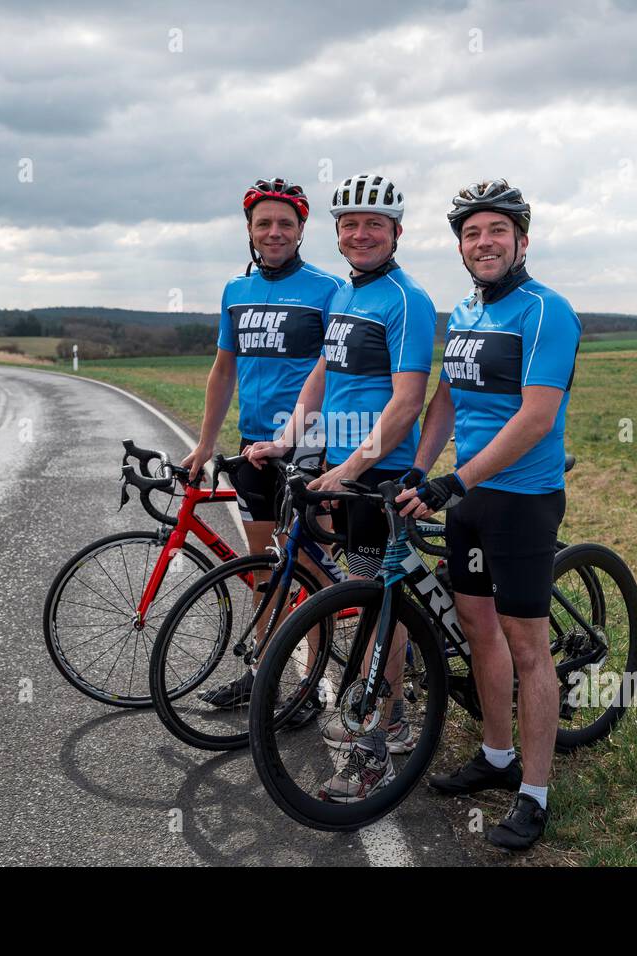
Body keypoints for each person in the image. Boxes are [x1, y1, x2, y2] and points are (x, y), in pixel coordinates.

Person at [397, 179, 580, 851]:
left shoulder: (545, 312)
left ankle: (534, 793)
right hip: (469, 498)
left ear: (522, 240)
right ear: (462, 248)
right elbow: (445, 402)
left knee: (528, 645)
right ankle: (496, 755)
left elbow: (536, 417)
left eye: (496, 231)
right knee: (478, 630)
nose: (484, 243)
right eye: (472, 234)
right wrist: (422, 467)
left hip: (523, 499)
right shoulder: (466, 312)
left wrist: (456, 480)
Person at [245, 173, 437, 801]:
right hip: (344, 465)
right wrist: (286, 438)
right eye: (349, 225)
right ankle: (400, 711)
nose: (360, 234)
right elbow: (321, 380)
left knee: (384, 604)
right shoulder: (348, 298)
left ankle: (380, 740)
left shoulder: (407, 300)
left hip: (381, 474)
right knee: (376, 594)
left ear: (396, 233)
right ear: (337, 233)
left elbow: (407, 403)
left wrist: (350, 469)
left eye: (373, 225)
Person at [180, 177, 345, 709]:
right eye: (264, 223)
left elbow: (336, 371)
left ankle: (310, 684)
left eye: (285, 224)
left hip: (309, 445)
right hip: (255, 445)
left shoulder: (328, 289)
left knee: (312, 566)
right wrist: (206, 444)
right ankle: (262, 670)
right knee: (262, 568)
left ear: (301, 231)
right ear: (249, 230)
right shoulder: (236, 291)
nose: (274, 232)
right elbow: (223, 370)